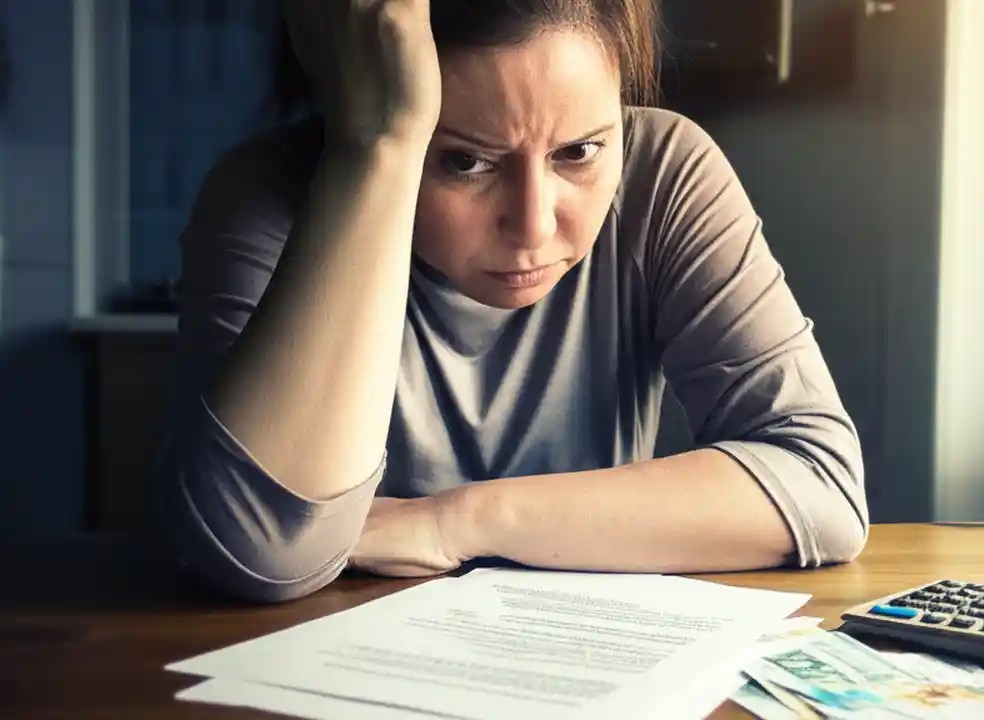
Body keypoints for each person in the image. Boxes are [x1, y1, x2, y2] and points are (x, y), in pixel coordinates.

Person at [158, 0, 868, 603]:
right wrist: (377, 147)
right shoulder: (269, 196)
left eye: (580, 153)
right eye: (463, 160)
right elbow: (259, 549)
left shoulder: (666, 173)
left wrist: (456, 523)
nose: (533, 225)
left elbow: (820, 486)